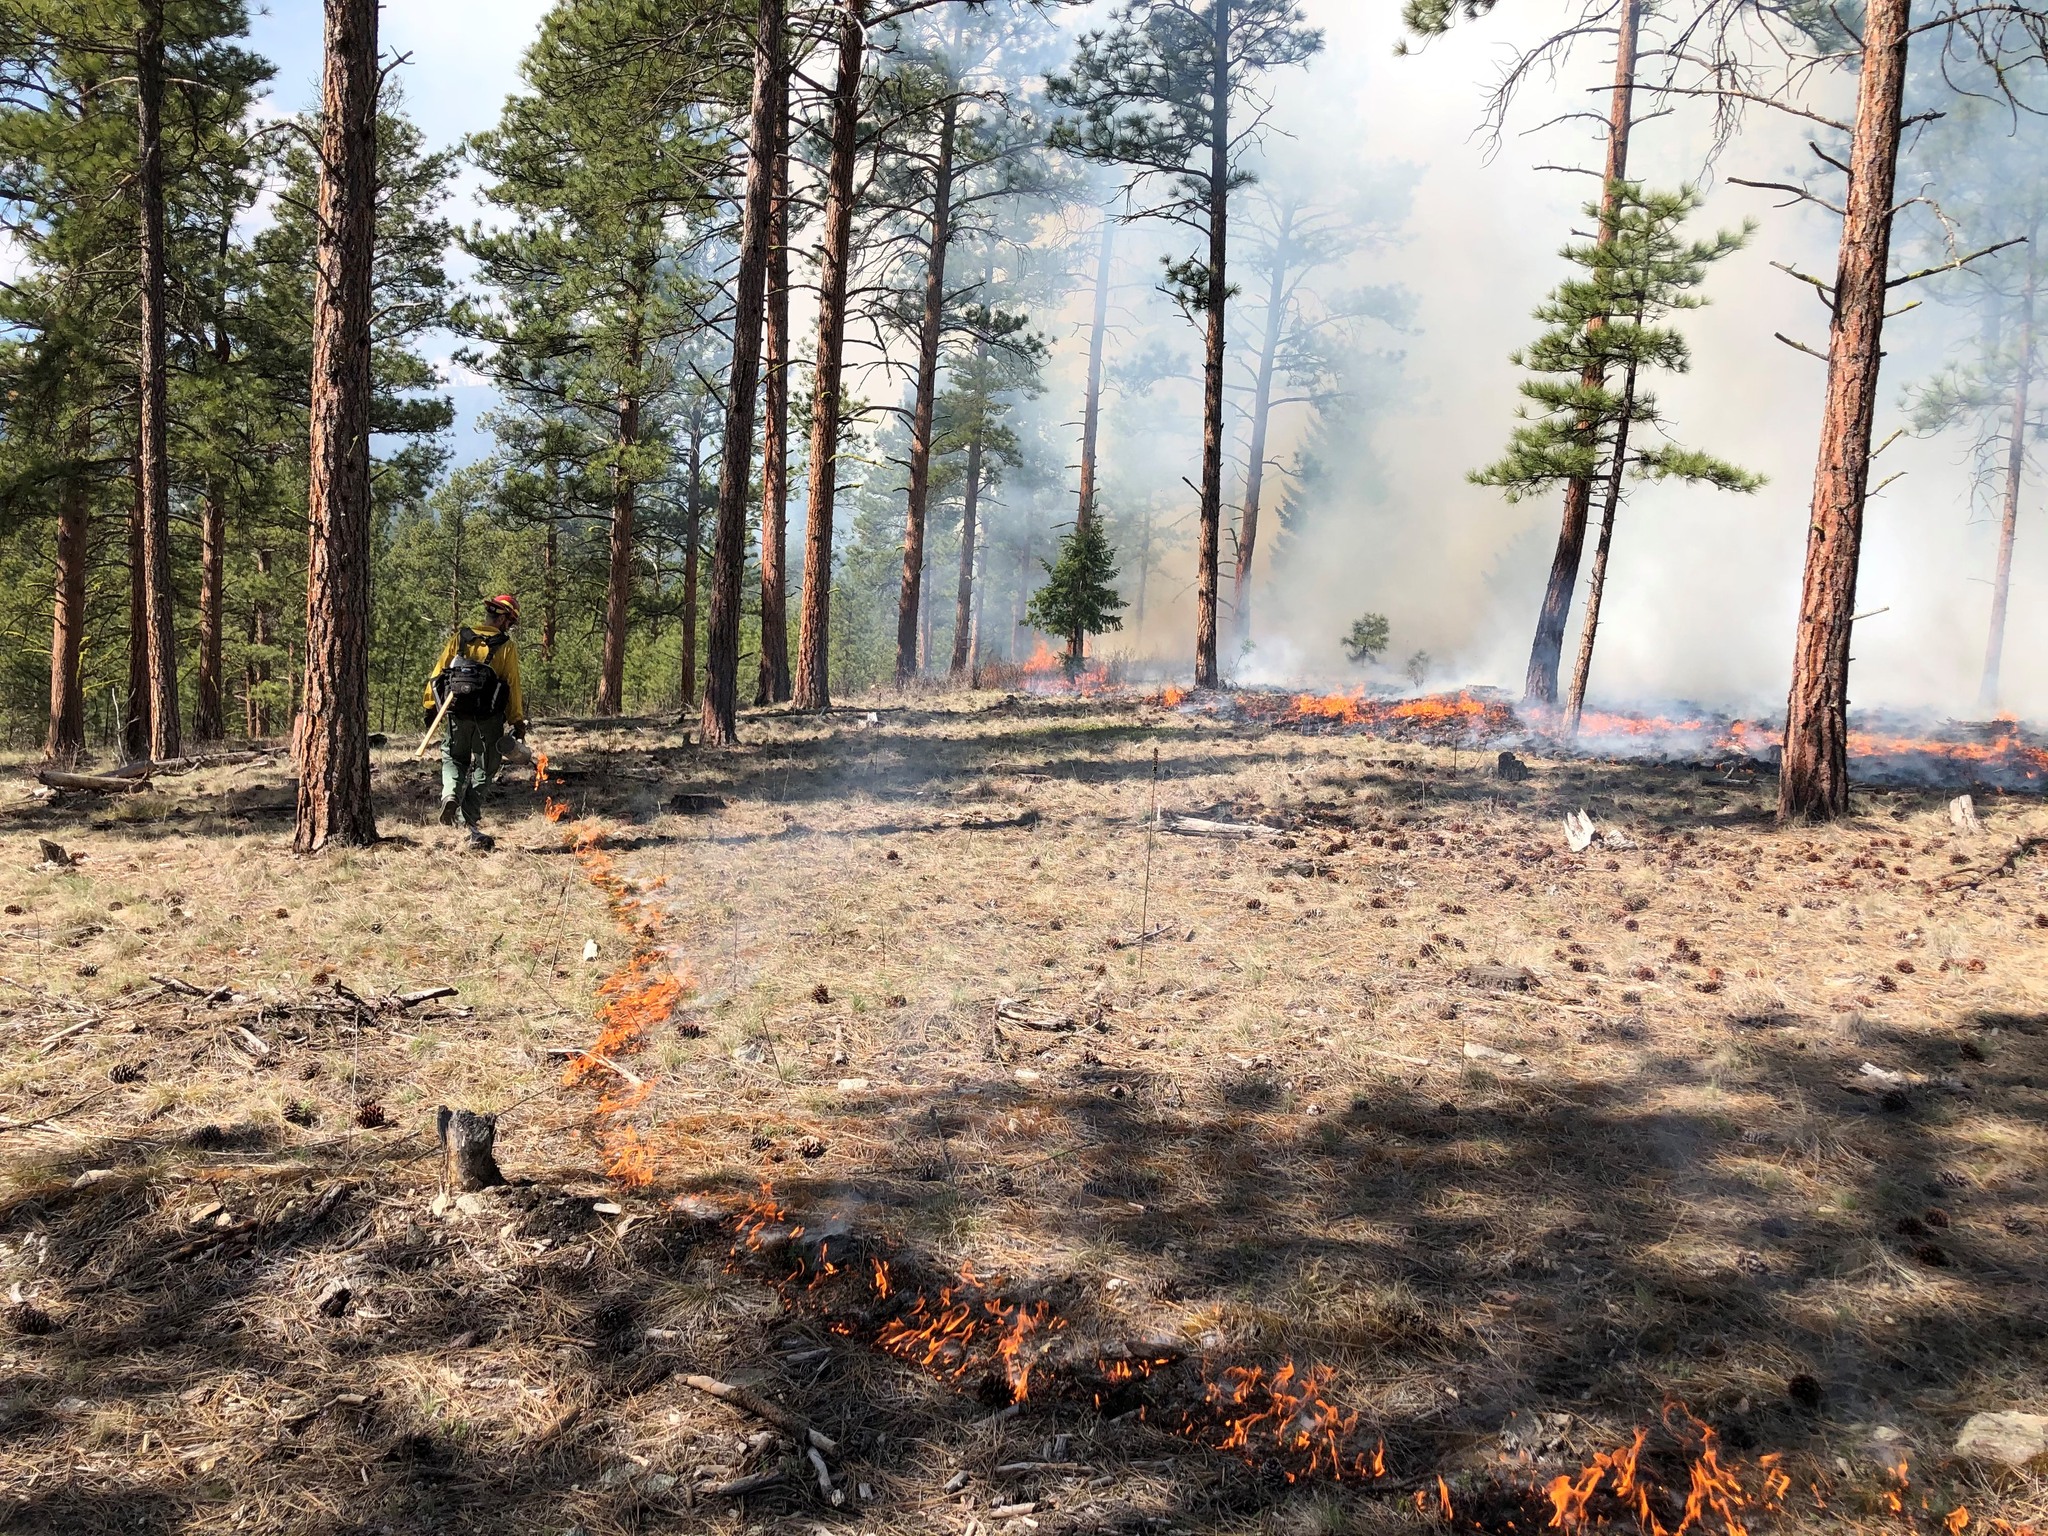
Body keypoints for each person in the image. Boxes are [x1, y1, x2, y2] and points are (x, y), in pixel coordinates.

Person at [423, 594, 526, 851]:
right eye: (510, 622)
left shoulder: (461, 637)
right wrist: (517, 720)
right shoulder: (506, 646)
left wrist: (430, 706)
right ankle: (467, 819)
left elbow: (438, 673)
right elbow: (511, 684)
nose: (509, 626)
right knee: (486, 767)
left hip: (457, 713)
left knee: (453, 757)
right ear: (503, 619)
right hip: (489, 718)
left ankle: (450, 793)